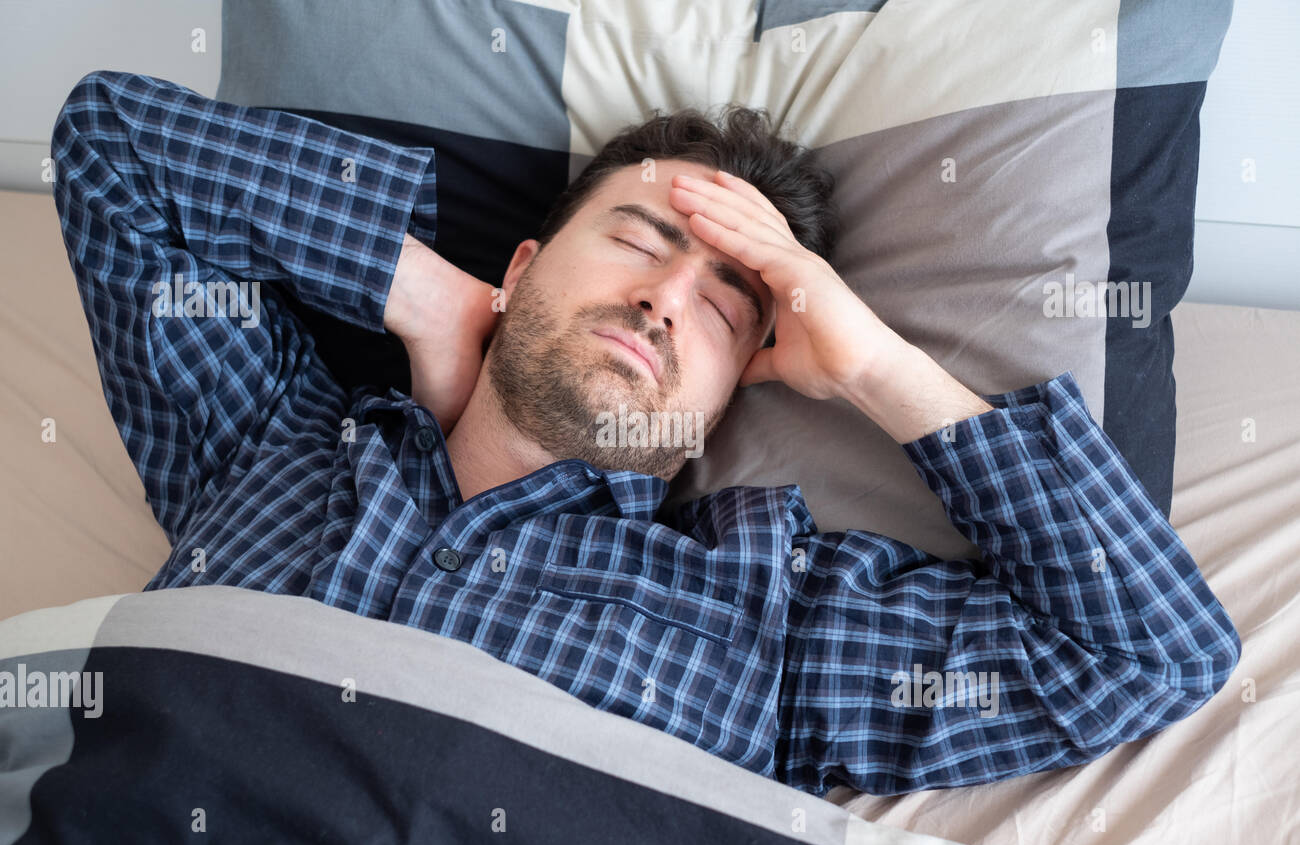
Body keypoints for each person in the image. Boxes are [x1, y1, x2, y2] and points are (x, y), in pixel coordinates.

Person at [50, 70, 1240, 797]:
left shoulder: (769, 612)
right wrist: (424, 294)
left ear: (726, 405)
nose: (668, 297)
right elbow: (113, 146)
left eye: (730, 301)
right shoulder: (267, 433)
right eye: (634, 238)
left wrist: (876, 363)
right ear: (520, 268)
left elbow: (1147, 654)